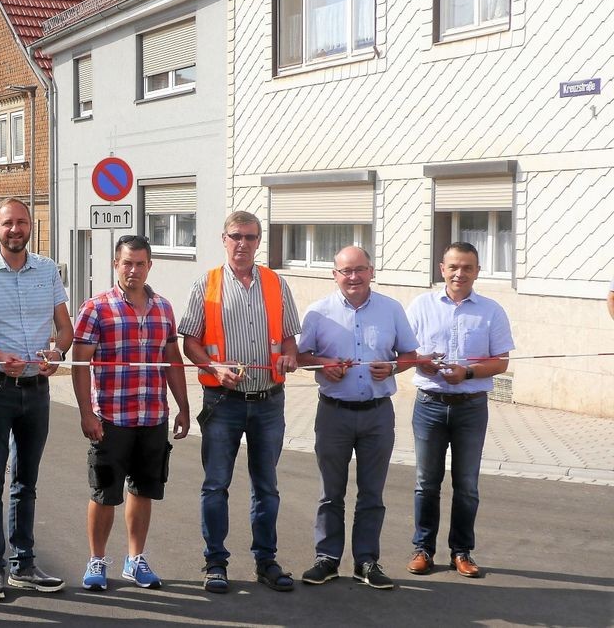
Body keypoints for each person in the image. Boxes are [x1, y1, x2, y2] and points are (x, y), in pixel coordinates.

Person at [178, 210, 300, 594]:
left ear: (258, 241)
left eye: (250, 237)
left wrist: (289, 356)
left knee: (266, 487)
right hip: (222, 402)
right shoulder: (206, 284)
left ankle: (266, 561)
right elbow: (190, 342)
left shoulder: (276, 284)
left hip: (268, 402)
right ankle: (215, 562)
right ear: (224, 239)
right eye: (236, 236)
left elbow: (290, 337)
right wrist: (214, 367)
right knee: (216, 485)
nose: (242, 243)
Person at [0, 197, 73, 601]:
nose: (15, 230)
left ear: (30, 227)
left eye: (21, 222)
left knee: (26, 481)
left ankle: (23, 565)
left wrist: (57, 352)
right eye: (8, 223)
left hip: (36, 389)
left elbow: (65, 328)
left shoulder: (47, 269)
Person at [71, 235, 190, 591]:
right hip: (111, 418)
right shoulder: (95, 308)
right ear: (115, 265)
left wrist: (183, 407)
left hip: (152, 417)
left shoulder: (163, 308)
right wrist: (86, 413)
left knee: (143, 491)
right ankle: (96, 560)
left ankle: (135, 560)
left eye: (140, 263)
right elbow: (80, 364)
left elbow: (172, 359)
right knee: (104, 492)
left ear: (150, 266)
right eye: (127, 263)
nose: (133, 270)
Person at [296, 246, 419, 590]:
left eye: (360, 269)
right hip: (333, 414)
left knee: (372, 494)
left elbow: (410, 354)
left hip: (377, 414)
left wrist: (393, 367)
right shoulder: (318, 312)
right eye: (346, 271)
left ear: (371, 271)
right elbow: (302, 356)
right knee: (330, 493)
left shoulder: (391, 309)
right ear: (334, 275)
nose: (353, 277)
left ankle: (366, 561)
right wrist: (324, 365)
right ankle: (327, 558)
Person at [405, 241, 513, 579]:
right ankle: (423, 549)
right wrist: (422, 363)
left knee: (466, 485)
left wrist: (467, 373)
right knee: (426, 482)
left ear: (477, 271)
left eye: (467, 267)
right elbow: (405, 353)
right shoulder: (421, 306)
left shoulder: (492, 311)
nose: (459, 273)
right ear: (442, 269)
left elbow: (501, 361)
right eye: (453, 267)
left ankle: (461, 552)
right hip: (430, 405)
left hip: (471, 407)